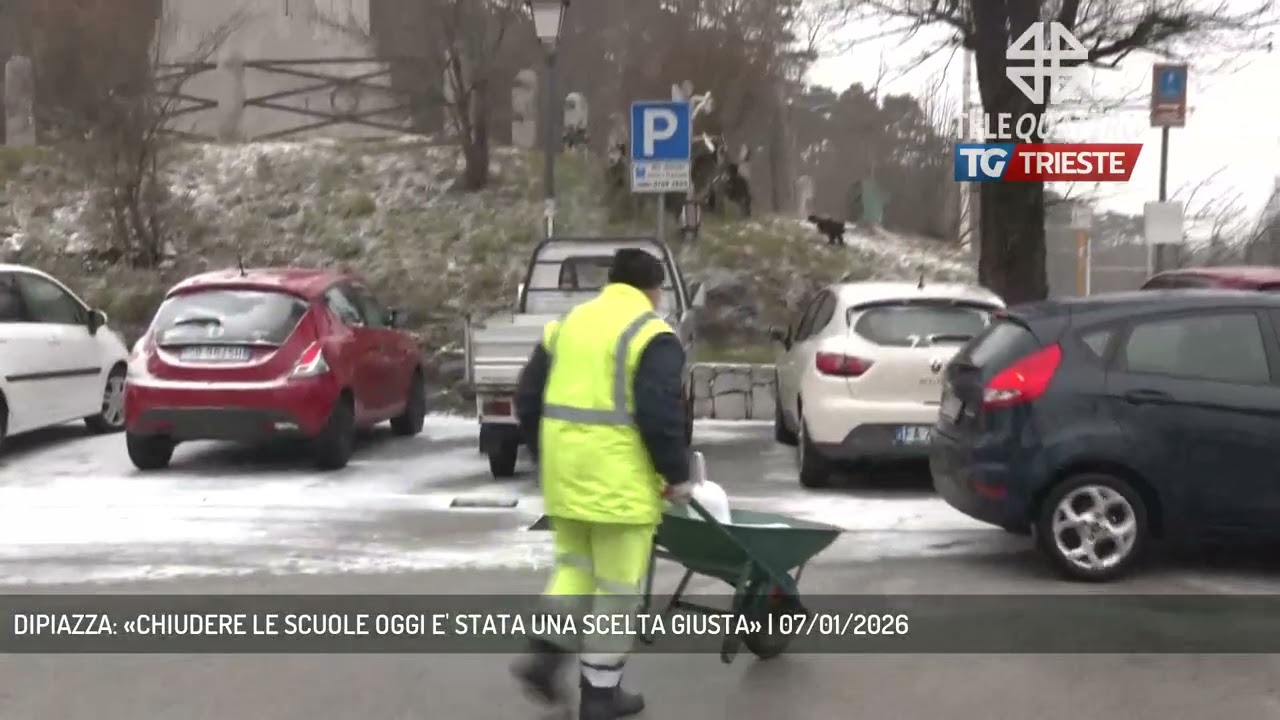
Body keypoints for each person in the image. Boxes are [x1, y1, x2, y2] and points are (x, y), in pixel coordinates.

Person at [511, 248, 696, 720]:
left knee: (574, 567)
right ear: (654, 290)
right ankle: (600, 696)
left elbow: (527, 395)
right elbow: (660, 414)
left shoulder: (569, 323)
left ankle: (545, 656)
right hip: (619, 483)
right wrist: (677, 475)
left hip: (565, 475)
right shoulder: (652, 334)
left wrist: (543, 455)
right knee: (617, 590)